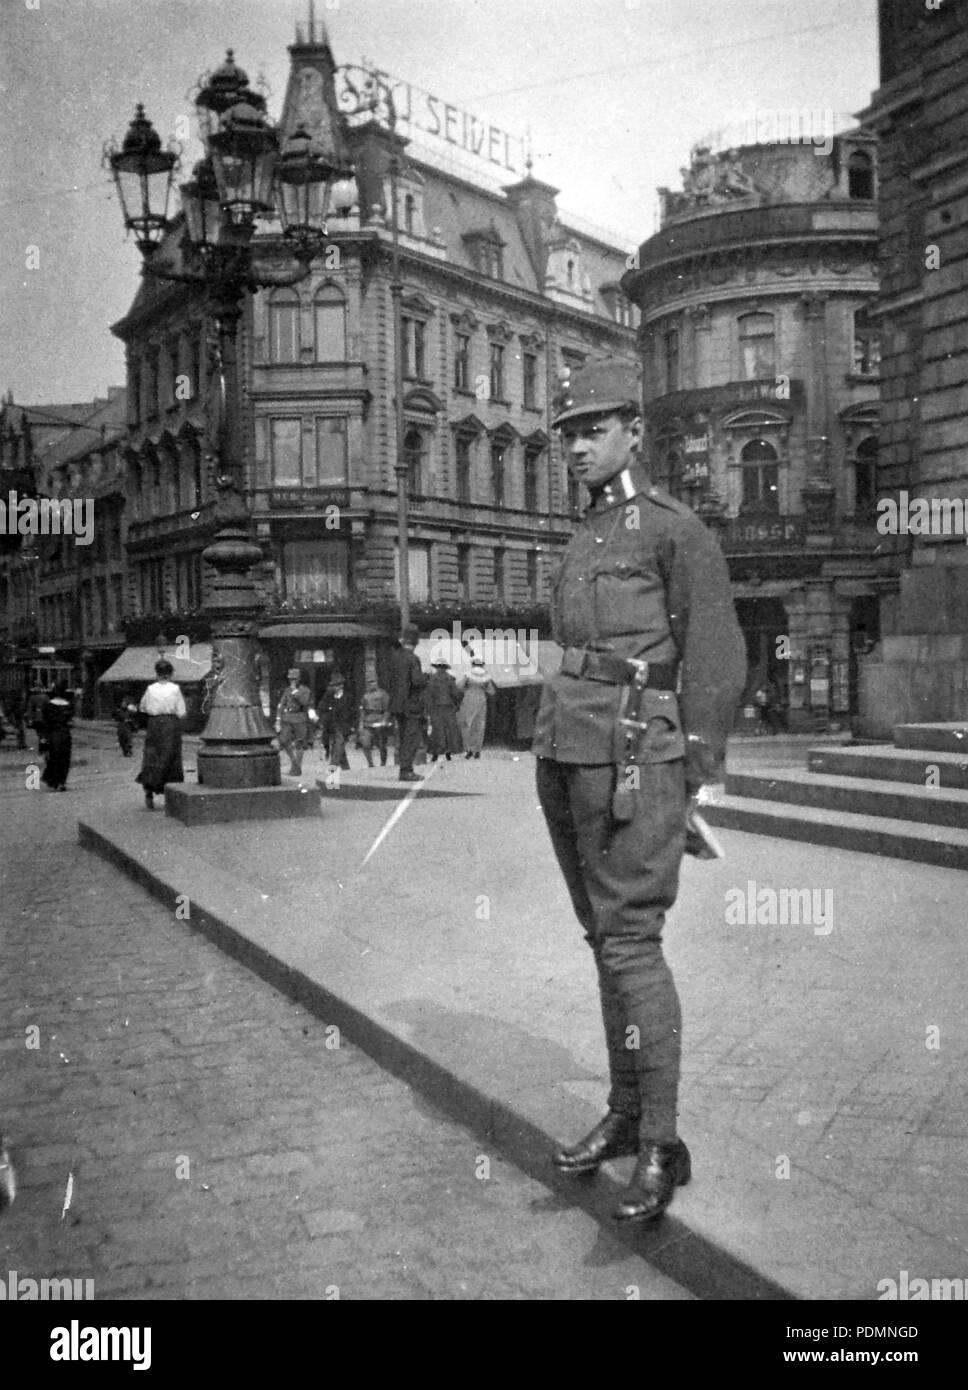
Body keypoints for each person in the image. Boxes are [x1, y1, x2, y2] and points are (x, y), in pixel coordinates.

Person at [534, 358, 746, 1225]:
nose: (578, 445)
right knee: (602, 939)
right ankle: (626, 1115)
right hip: (566, 747)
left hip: (635, 757)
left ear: (634, 431)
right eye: (569, 432)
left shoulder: (674, 529)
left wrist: (696, 779)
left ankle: (660, 1141)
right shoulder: (585, 533)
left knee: (630, 945)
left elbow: (717, 657)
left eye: (594, 428)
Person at [136, 658, 187, 809]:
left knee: (152, 756)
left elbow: (143, 707)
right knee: (171, 757)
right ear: (170, 674)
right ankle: (171, 792)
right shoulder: (175, 689)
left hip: (154, 724)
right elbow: (182, 711)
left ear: (157, 674)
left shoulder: (150, 689)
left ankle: (149, 791)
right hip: (171, 725)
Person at [387, 624, 427, 783]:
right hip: (411, 705)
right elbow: (417, 681)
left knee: (403, 738)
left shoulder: (395, 656)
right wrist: (426, 678)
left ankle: (404, 768)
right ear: (415, 641)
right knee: (412, 738)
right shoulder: (413, 658)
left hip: (397, 704)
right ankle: (406, 770)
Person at [424, 659, 463, 761]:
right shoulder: (450, 679)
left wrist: (428, 708)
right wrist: (457, 705)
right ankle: (448, 752)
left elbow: (428, 695)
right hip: (448, 707)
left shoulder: (432, 679)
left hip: (436, 707)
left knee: (437, 730)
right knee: (449, 730)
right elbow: (456, 694)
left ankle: (435, 753)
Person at [277, 667, 313, 777]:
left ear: (298, 679)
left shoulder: (305, 690)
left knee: (299, 743)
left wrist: (296, 692)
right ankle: (294, 762)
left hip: (299, 718)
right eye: (290, 679)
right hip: (287, 718)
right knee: (283, 740)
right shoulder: (287, 690)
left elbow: (305, 702)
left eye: (294, 679)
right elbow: (282, 704)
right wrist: (278, 719)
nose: (292, 681)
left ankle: (297, 768)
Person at [457, 658, 495, 758]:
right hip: (481, 699)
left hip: (468, 698)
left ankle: (468, 749)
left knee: (467, 724)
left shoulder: (467, 675)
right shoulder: (486, 676)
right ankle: (477, 749)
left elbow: (460, 686)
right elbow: (491, 691)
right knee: (479, 725)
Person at [39, 682, 74, 791]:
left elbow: (45, 722)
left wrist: (43, 737)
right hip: (65, 734)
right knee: (65, 758)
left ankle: (53, 780)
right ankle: (61, 782)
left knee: (53, 758)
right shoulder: (68, 705)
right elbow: (70, 721)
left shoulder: (48, 705)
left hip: (52, 734)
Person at [318, 670, 354, 772]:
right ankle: (346, 769)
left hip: (343, 726)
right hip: (330, 726)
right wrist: (323, 720)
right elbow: (321, 708)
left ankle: (332, 770)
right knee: (339, 747)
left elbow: (352, 713)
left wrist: (353, 726)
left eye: (338, 685)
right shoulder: (328, 696)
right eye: (335, 685)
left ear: (342, 685)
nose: (337, 687)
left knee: (338, 745)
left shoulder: (348, 697)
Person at [358, 675, 391, 768]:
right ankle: (370, 763)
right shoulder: (365, 696)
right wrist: (361, 723)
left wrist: (385, 719)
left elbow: (387, 709)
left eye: (372, 682)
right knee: (366, 743)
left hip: (380, 720)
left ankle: (383, 763)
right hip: (368, 721)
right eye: (369, 682)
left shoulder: (383, 694)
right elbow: (362, 710)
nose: (371, 684)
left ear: (376, 682)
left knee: (381, 744)